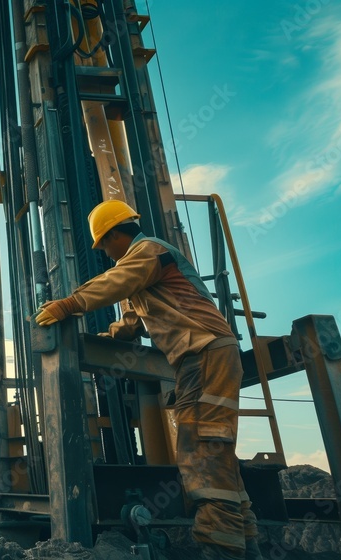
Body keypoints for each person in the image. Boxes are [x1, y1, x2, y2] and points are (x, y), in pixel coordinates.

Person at [34, 200, 261, 560]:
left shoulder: (148, 251)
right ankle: (246, 546)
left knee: (201, 449)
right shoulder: (145, 268)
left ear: (114, 235)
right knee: (216, 453)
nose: (106, 254)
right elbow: (132, 320)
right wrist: (110, 339)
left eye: (104, 245)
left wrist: (70, 304)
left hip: (202, 353)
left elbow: (118, 281)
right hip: (205, 355)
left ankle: (222, 550)